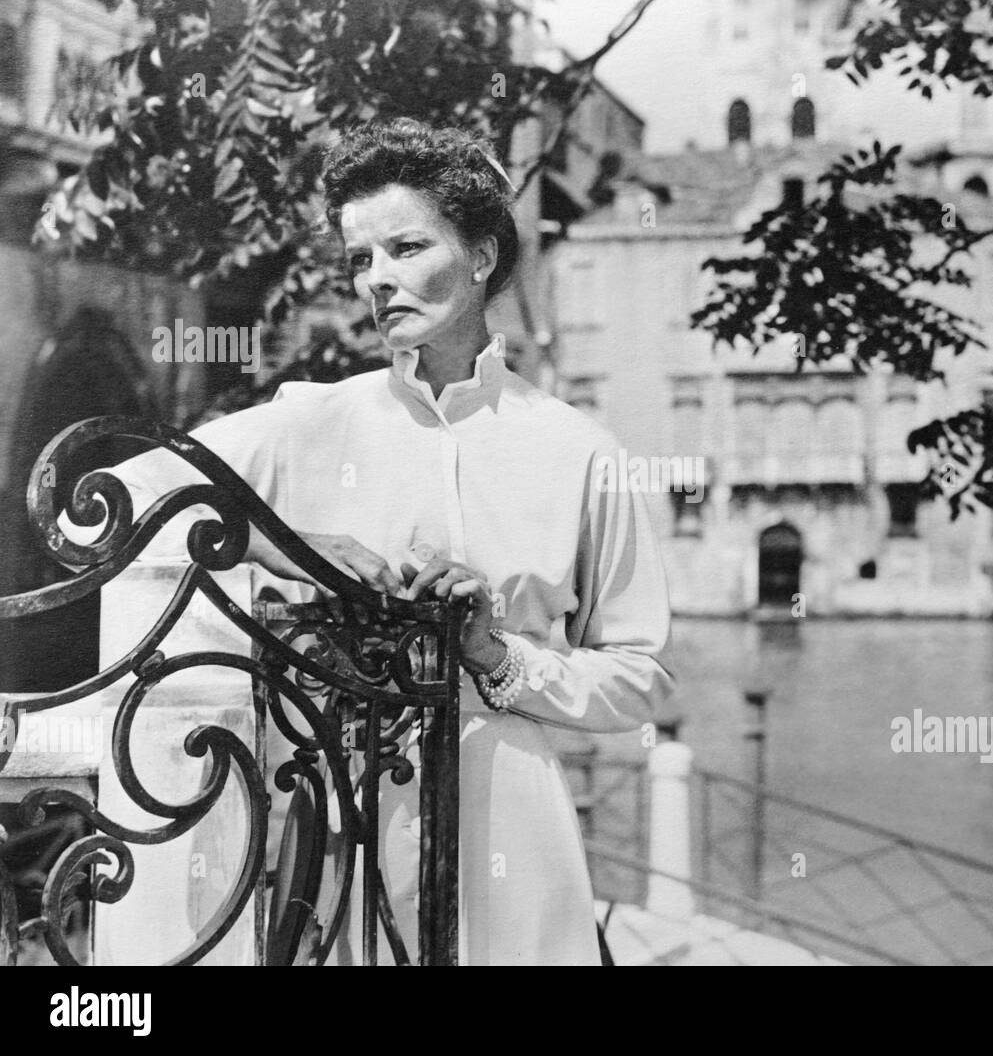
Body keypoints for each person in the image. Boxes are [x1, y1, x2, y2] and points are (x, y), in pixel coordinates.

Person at [81, 118, 676, 965]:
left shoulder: (580, 450)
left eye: (404, 247)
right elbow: (108, 500)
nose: (379, 281)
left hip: (514, 824)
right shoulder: (310, 422)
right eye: (362, 260)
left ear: (481, 255)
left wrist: (497, 654)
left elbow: (640, 674)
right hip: (345, 819)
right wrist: (281, 541)